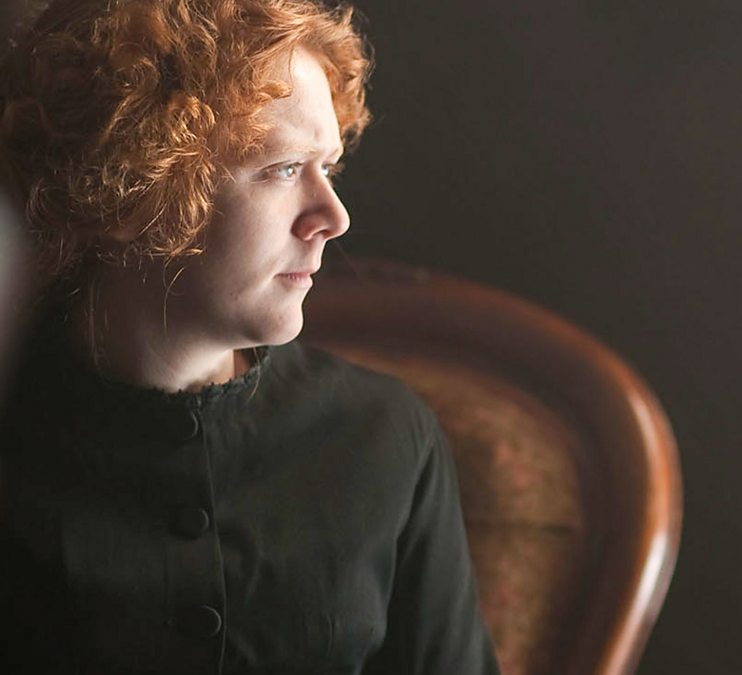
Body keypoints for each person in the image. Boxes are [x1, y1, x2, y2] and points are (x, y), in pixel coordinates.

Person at [0, 1, 501, 673]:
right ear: (129, 185)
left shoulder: (384, 437)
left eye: (329, 166)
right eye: (284, 168)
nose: (334, 216)